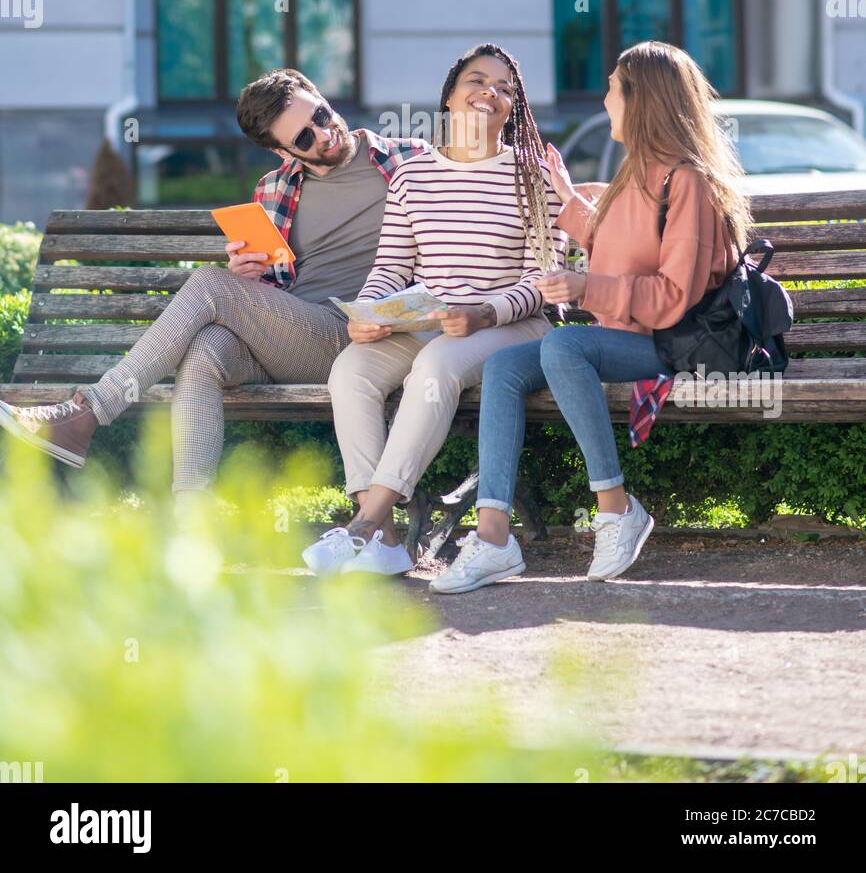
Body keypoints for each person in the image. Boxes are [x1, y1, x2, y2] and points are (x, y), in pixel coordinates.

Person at [0, 70, 428, 511]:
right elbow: (273, 287)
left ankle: (86, 414)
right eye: (303, 138)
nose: (323, 133)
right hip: (297, 338)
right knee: (206, 348)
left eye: (321, 115)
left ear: (323, 98)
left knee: (208, 283)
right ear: (282, 151)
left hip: (365, 337)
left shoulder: (412, 160)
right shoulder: (274, 188)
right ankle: (191, 513)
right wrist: (248, 275)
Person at [431, 40, 751, 594]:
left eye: (611, 88)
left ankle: (616, 507)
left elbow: (674, 295)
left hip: (674, 343)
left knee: (564, 346)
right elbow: (610, 240)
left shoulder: (688, 182)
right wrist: (563, 194)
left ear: (642, 100)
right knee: (507, 367)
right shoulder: (638, 173)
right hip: (624, 336)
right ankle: (493, 539)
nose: (604, 100)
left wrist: (585, 286)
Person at [304, 43, 569, 578]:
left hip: (512, 325)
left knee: (436, 366)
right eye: (478, 80)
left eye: (505, 88)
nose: (491, 93)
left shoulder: (533, 176)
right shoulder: (413, 176)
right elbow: (391, 266)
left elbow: (544, 281)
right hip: (433, 323)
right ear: (450, 95)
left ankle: (363, 523)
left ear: (512, 108)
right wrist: (370, 311)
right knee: (350, 370)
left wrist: (484, 315)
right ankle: (385, 541)